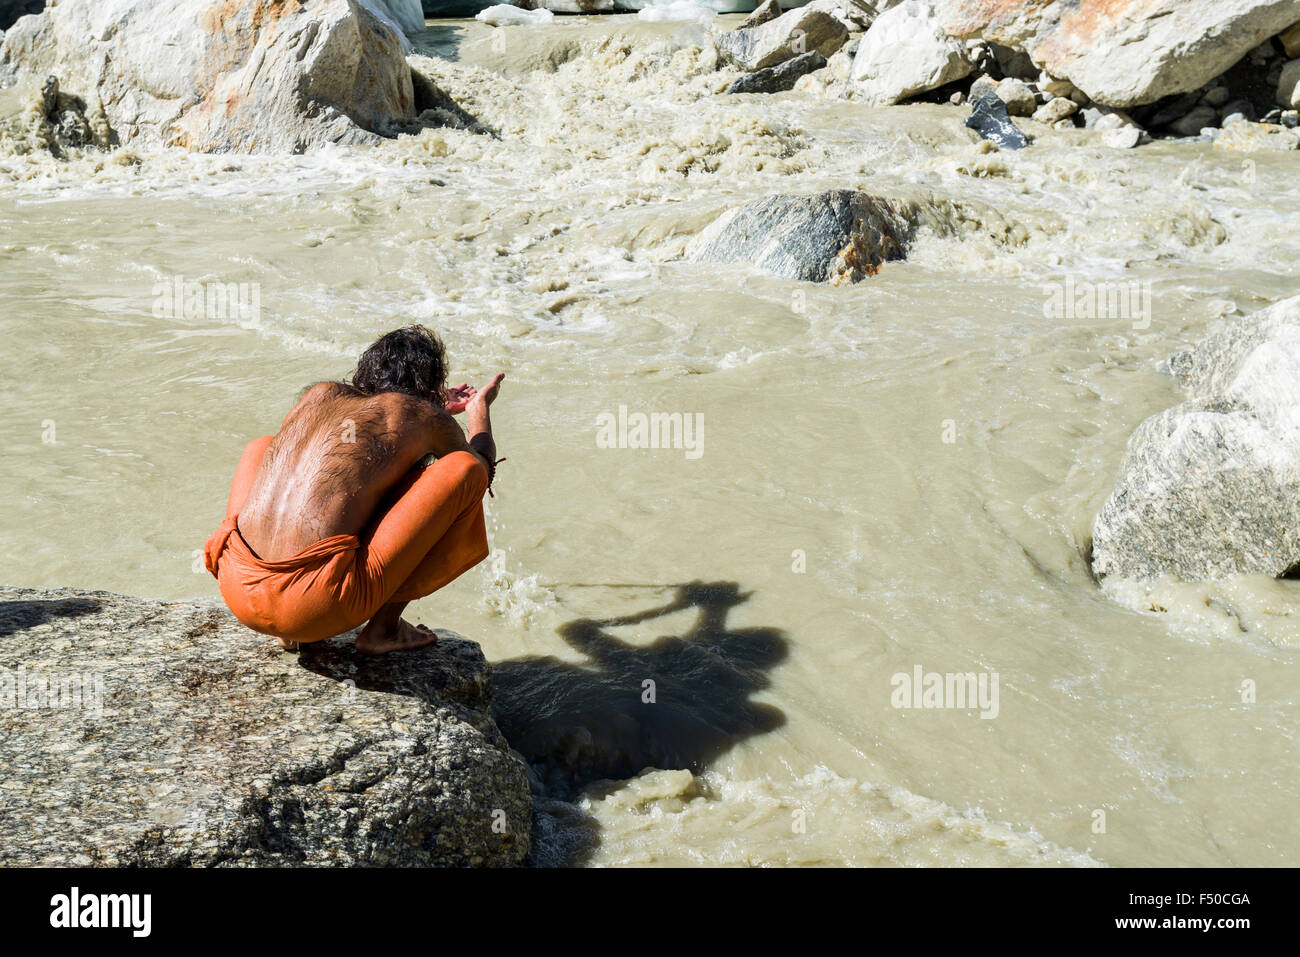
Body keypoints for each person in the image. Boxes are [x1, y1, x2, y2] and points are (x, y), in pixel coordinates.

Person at [203, 325, 503, 654]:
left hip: (237, 589)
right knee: (463, 470)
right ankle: (383, 629)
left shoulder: (319, 395)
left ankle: (291, 633)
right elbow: (481, 469)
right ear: (431, 389)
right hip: (315, 608)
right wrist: (479, 412)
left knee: (264, 447)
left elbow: (370, 436)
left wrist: (433, 407)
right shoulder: (421, 415)